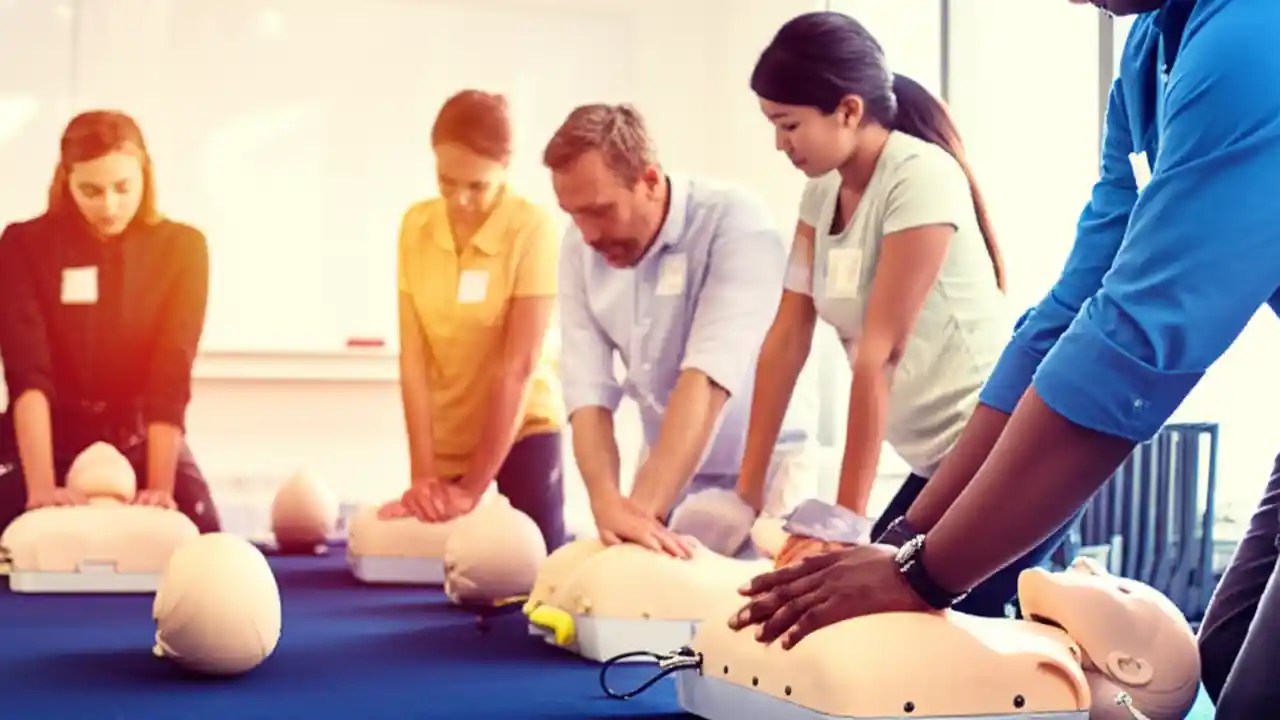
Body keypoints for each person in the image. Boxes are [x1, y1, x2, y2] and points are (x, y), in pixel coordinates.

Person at [730, 0, 1280, 690]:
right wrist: (902, 540)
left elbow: (1138, 334)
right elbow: (1070, 310)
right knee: (1224, 671)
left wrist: (923, 571)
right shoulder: (1149, 53)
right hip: (987, 438)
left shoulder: (1254, 38)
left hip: (1024, 432)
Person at [714, 13, 1071, 618]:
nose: (780, 144)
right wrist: (744, 496)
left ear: (848, 110)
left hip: (1003, 460)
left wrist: (849, 522)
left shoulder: (919, 176)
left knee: (920, 629)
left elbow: (881, 356)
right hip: (937, 465)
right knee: (851, 614)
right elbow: (786, 341)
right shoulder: (820, 193)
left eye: (789, 124)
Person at [547, 103, 809, 558]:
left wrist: (641, 513)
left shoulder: (734, 222)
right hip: (666, 467)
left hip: (766, 473)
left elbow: (707, 379)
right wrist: (609, 505)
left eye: (600, 211)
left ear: (649, 180)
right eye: (573, 215)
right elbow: (587, 393)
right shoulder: (579, 247)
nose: (587, 233)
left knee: (745, 618)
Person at [0, 110, 221, 533]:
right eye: (91, 190)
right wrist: (42, 488)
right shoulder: (22, 245)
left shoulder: (183, 249)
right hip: (47, 439)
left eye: (123, 187)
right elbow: (27, 372)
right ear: (65, 180)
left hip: (138, 438)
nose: (109, 205)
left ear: (145, 175)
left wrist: (159, 490)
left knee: (202, 537)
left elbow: (170, 371)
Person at [380, 89, 568, 553]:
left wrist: (472, 488)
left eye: (478, 186)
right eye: (447, 182)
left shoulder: (533, 228)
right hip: (449, 432)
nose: (460, 200)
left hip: (522, 426)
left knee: (537, 576)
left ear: (506, 169)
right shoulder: (415, 226)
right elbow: (414, 362)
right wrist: (423, 474)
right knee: (446, 581)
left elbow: (518, 365)